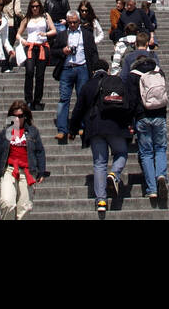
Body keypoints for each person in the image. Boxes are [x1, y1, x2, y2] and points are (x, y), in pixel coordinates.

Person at [69, 58, 137, 217]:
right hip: (116, 126)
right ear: (107, 71)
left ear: (93, 71)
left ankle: (101, 201)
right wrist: (130, 123)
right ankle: (114, 174)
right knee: (121, 153)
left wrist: (72, 129)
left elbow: (78, 110)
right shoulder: (116, 83)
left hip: (95, 128)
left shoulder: (87, 86)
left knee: (99, 163)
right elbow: (128, 104)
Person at [127, 48, 169, 205]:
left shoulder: (133, 75)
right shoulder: (159, 71)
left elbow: (131, 101)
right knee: (160, 148)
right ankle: (161, 175)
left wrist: (130, 121)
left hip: (142, 117)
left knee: (145, 153)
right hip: (159, 115)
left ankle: (151, 189)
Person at [0, 100, 47, 220]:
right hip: (9, 170)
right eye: (15, 116)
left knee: (25, 207)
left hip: (27, 170)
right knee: (7, 203)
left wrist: (41, 171)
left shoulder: (33, 132)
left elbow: (39, 151)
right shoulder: (6, 132)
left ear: (25, 116)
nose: (17, 119)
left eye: (20, 116)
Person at [53, 10, 99, 144]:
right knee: (63, 99)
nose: (72, 24)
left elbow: (93, 52)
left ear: (79, 22)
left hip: (83, 68)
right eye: (70, 22)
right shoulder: (62, 35)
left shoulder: (87, 34)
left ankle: (82, 125)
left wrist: (95, 69)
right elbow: (53, 51)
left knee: (82, 98)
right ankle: (62, 129)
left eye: (75, 22)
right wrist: (63, 51)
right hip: (67, 69)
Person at [18, 0, 56, 108]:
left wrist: (46, 34)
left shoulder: (45, 16)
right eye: (33, 6)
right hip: (30, 47)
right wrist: (22, 40)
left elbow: (54, 30)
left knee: (40, 75)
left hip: (42, 47)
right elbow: (18, 34)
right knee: (29, 72)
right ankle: (28, 99)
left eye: (37, 6)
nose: (35, 9)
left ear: (40, 6)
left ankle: (37, 100)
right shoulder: (27, 18)